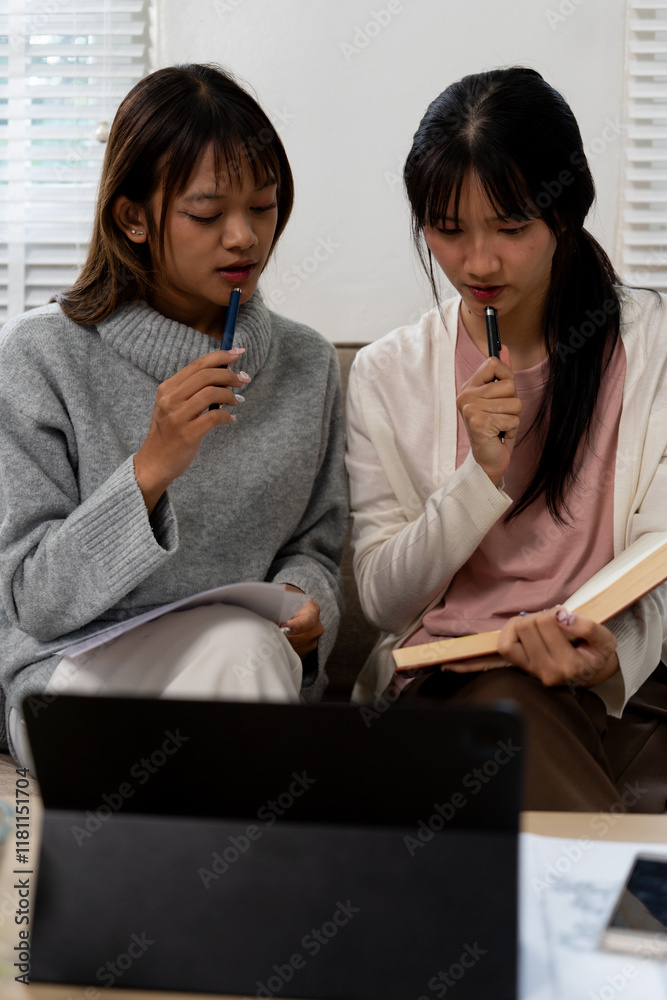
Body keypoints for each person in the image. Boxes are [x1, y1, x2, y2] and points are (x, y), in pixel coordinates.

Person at [0, 64, 348, 768]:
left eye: (263, 206)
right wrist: (150, 468)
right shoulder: (43, 356)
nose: (243, 237)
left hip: (243, 669)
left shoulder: (308, 365)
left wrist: (306, 604)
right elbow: (35, 601)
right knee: (238, 667)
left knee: (242, 648)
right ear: (132, 216)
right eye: (207, 212)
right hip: (74, 676)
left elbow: (315, 548)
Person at [345, 67, 667, 811]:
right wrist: (476, 478)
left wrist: (605, 655)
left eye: (511, 228)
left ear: (565, 211)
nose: (477, 263)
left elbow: (657, 556)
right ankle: (609, 921)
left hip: (615, 682)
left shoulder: (649, 349)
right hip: (455, 681)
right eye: (447, 231)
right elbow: (386, 601)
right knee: (511, 712)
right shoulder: (387, 373)